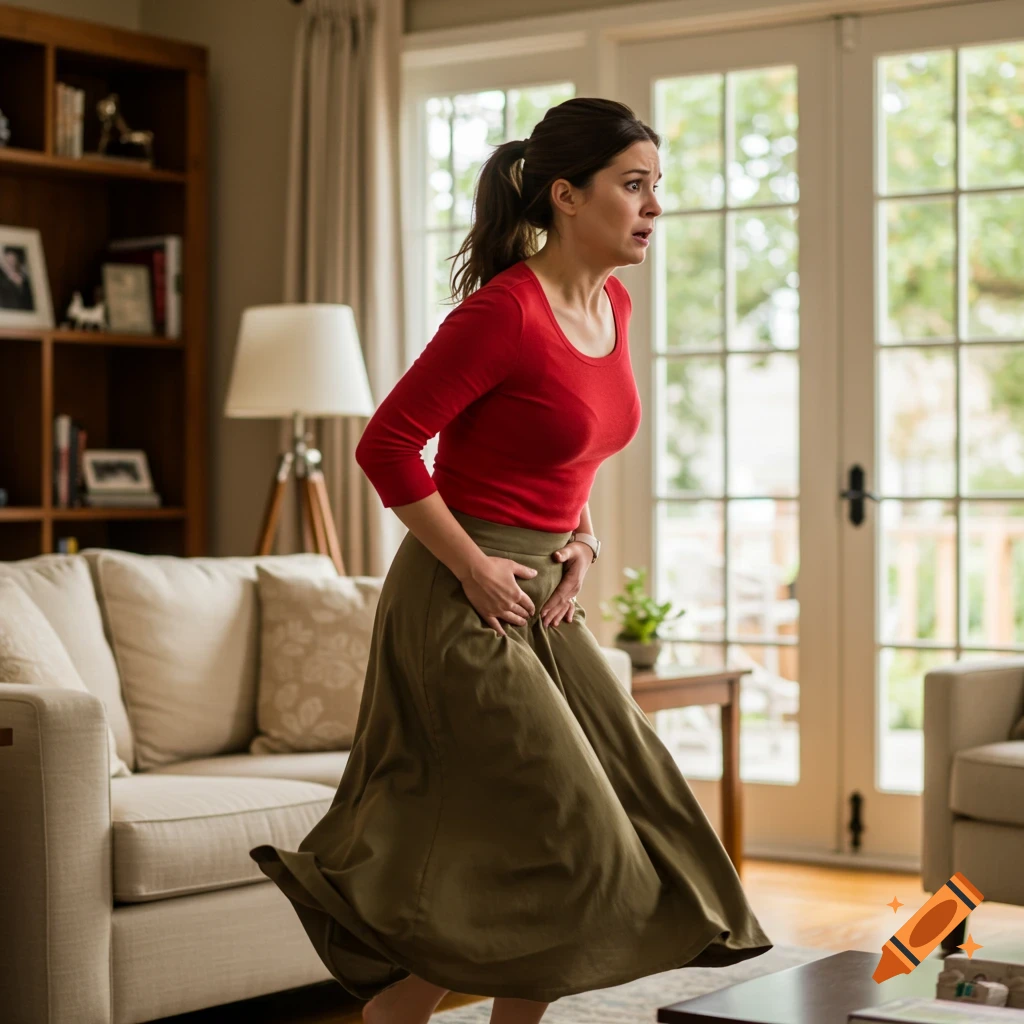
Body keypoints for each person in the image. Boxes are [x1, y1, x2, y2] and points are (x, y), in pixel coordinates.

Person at [250, 96, 772, 1024]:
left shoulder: (610, 302)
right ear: (567, 196)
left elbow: (571, 445)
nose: (654, 208)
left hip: (539, 591)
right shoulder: (504, 313)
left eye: (659, 188)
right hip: (461, 596)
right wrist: (474, 565)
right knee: (578, 838)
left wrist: (581, 538)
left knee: (638, 807)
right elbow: (387, 447)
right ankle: (390, 1014)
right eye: (635, 186)